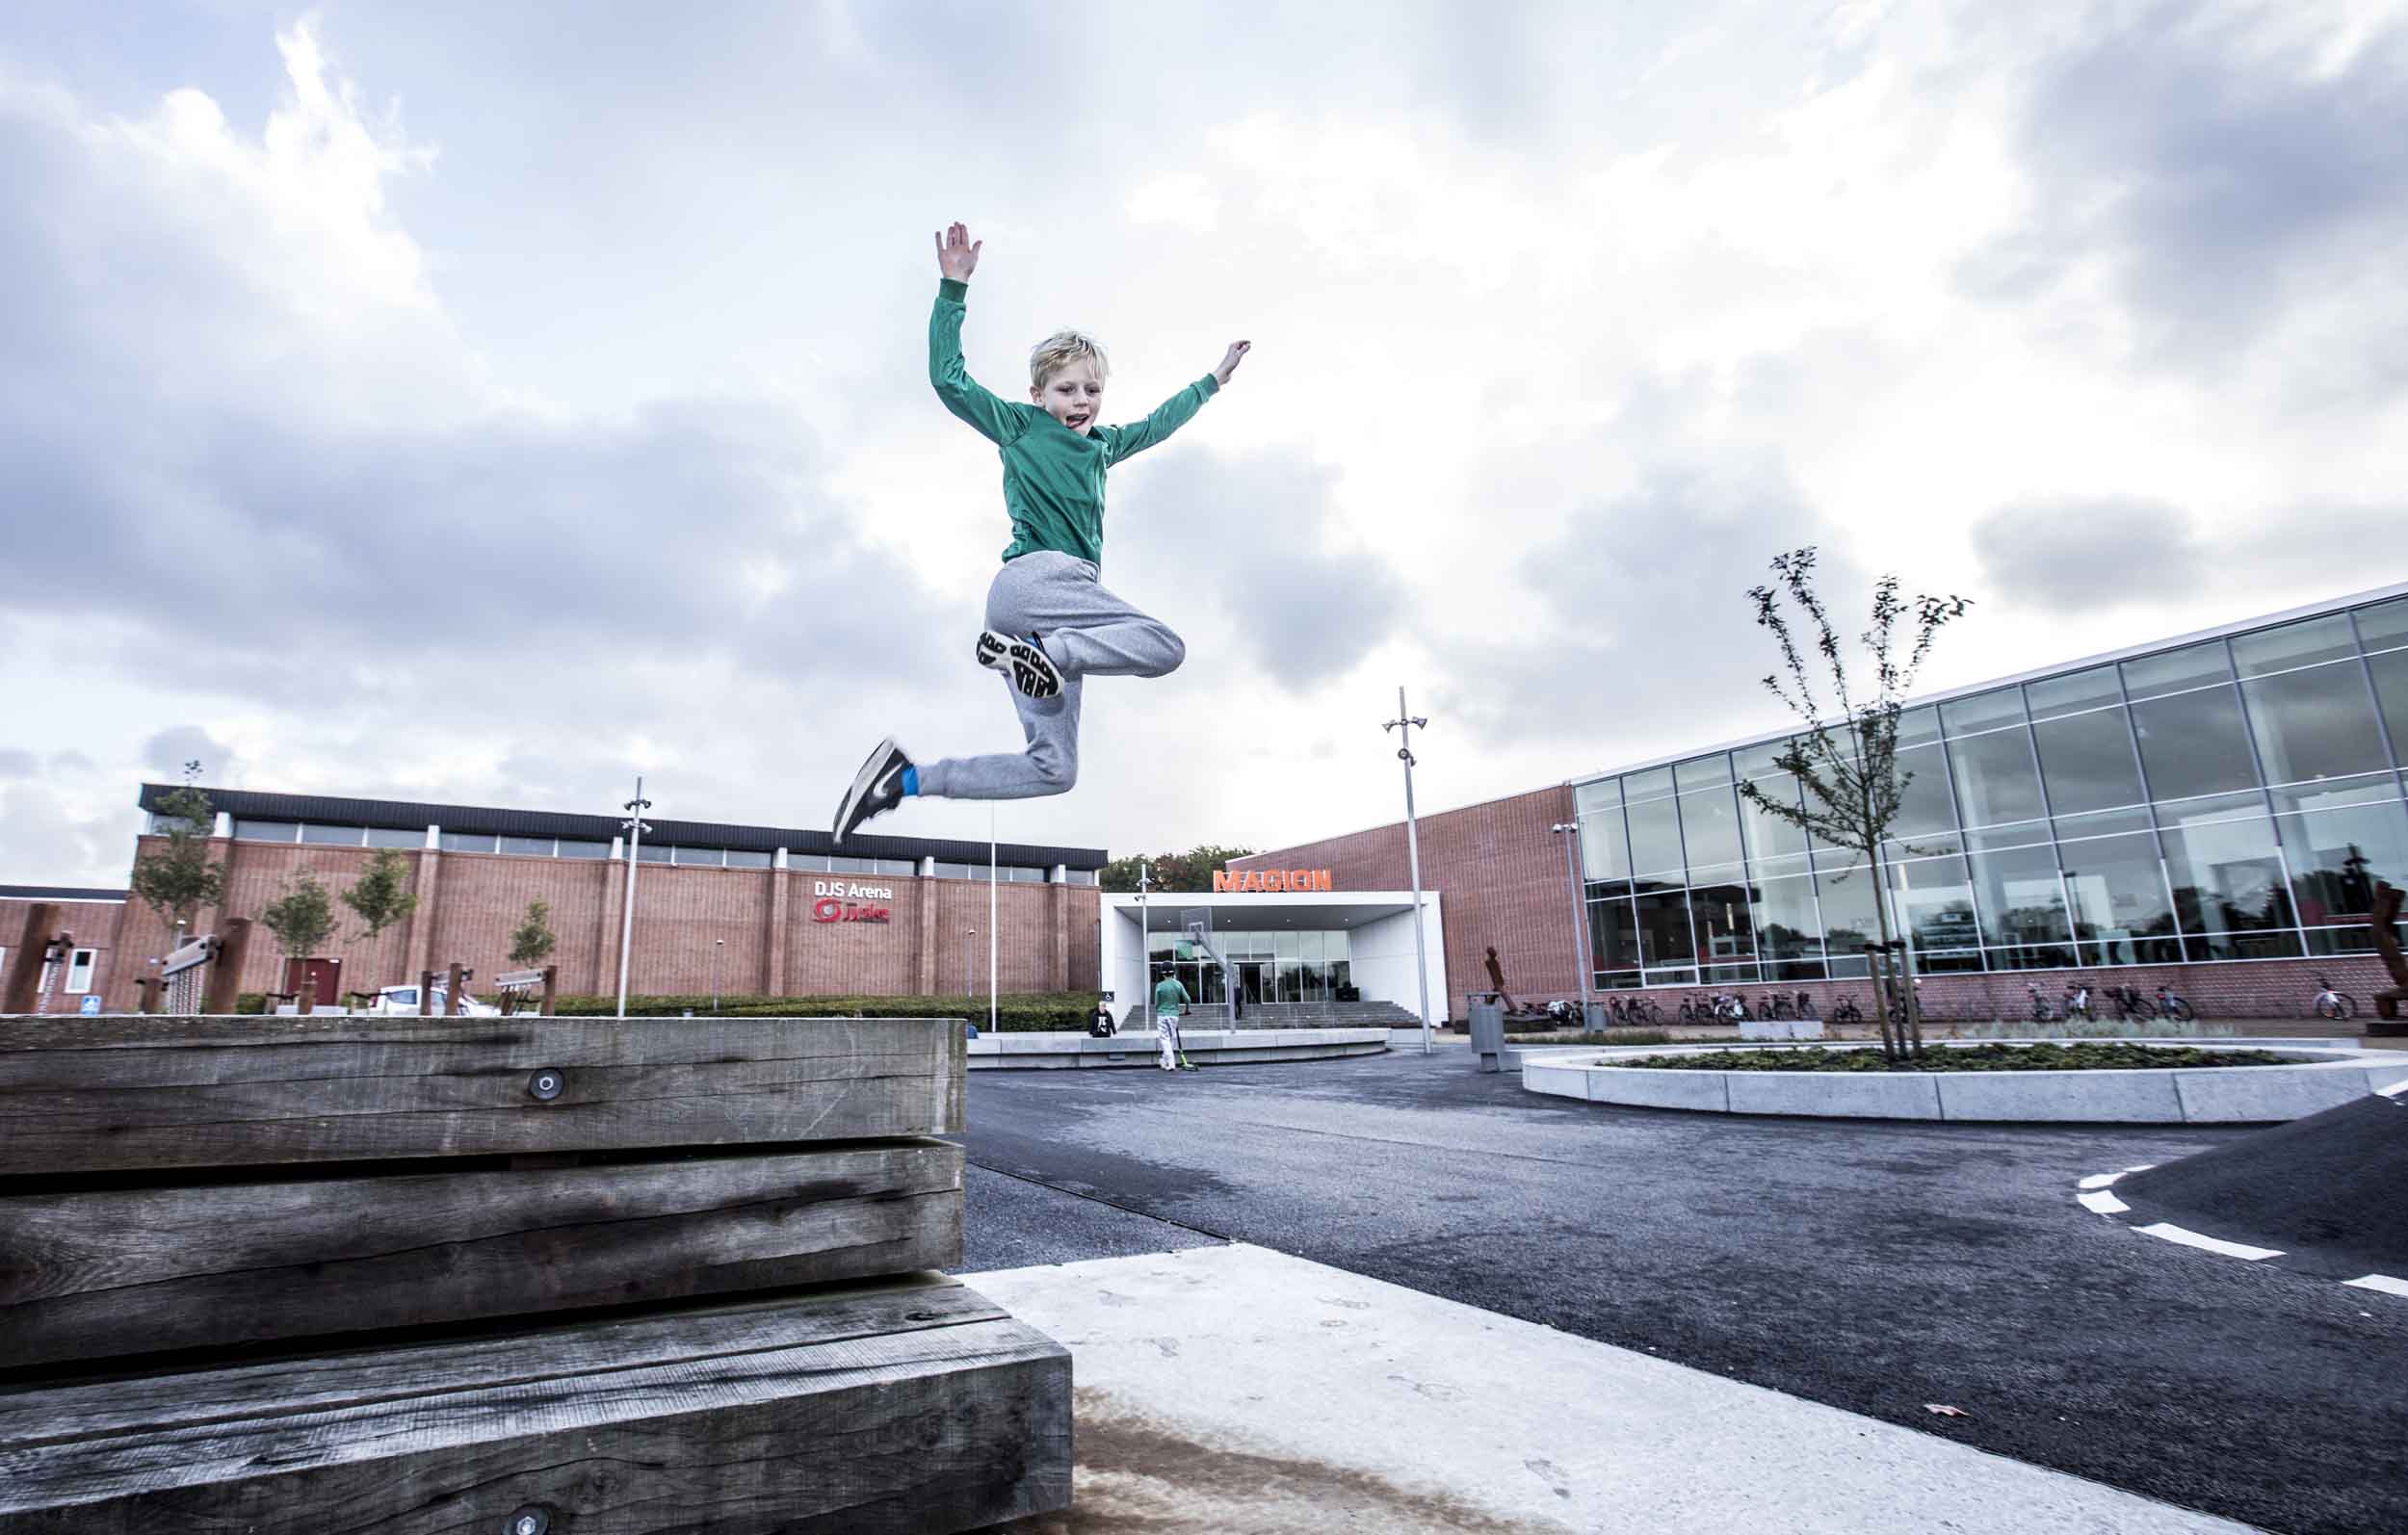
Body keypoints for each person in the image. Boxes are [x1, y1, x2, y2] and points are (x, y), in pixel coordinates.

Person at [834, 221, 1252, 841]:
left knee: (1055, 769)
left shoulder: (1104, 447)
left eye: (1092, 389)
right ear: (1038, 393)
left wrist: (1212, 381)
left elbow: (1160, 423)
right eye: (1066, 390)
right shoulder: (1019, 426)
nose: (1081, 400)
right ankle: (1045, 657)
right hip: (1040, 584)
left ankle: (904, 781)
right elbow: (949, 381)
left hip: (1031, 621)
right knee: (1164, 646)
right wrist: (953, 290)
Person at [1153, 969, 1193, 1071]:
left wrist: (1159, 1009)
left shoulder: (1160, 986)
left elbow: (1156, 1003)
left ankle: (1171, 1063)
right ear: (1173, 973)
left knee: (1165, 1039)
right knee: (1170, 1039)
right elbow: (1188, 999)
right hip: (1174, 1015)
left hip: (1162, 1015)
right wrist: (1187, 1010)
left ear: (1163, 973)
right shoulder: (1178, 984)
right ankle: (1164, 1060)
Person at [1482, 946, 1516, 1013]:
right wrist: (1497, 983)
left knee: (1494, 995)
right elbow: (1494, 973)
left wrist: (1501, 980)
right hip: (1497, 982)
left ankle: (1486, 1005)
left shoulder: (1495, 961)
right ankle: (1513, 1009)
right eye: (1493, 952)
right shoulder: (1489, 962)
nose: (1495, 953)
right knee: (1505, 995)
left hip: (1499, 982)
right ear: (1490, 953)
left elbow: (1498, 972)